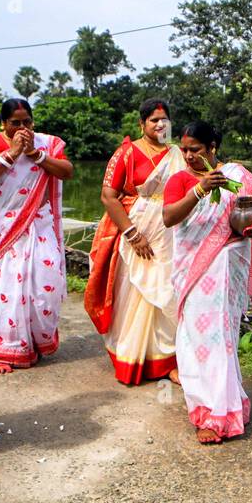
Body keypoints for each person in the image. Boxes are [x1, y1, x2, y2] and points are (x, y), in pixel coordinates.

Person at [163, 122, 252, 443]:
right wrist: (199, 190)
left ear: (212, 147)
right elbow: (169, 217)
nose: (187, 156)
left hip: (229, 271)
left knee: (223, 338)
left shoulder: (236, 176)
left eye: (195, 150)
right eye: (184, 149)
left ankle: (225, 410)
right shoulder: (180, 180)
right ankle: (206, 412)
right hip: (196, 273)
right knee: (197, 339)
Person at [83, 98, 186, 384]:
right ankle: (133, 360)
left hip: (168, 235)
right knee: (135, 294)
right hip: (136, 233)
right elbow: (108, 196)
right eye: (154, 120)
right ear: (142, 124)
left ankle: (168, 362)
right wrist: (132, 234)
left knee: (166, 293)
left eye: (164, 119)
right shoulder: (126, 153)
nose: (160, 124)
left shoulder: (177, 154)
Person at [0, 99, 73, 373]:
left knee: (44, 281)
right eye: (15, 123)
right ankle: (5, 349)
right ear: (3, 123)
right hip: (2, 228)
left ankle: (35, 341)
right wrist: (12, 154)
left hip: (38, 224)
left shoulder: (45, 144)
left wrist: (36, 155)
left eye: (26, 121)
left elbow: (67, 171)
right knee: (8, 286)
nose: (22, 127)